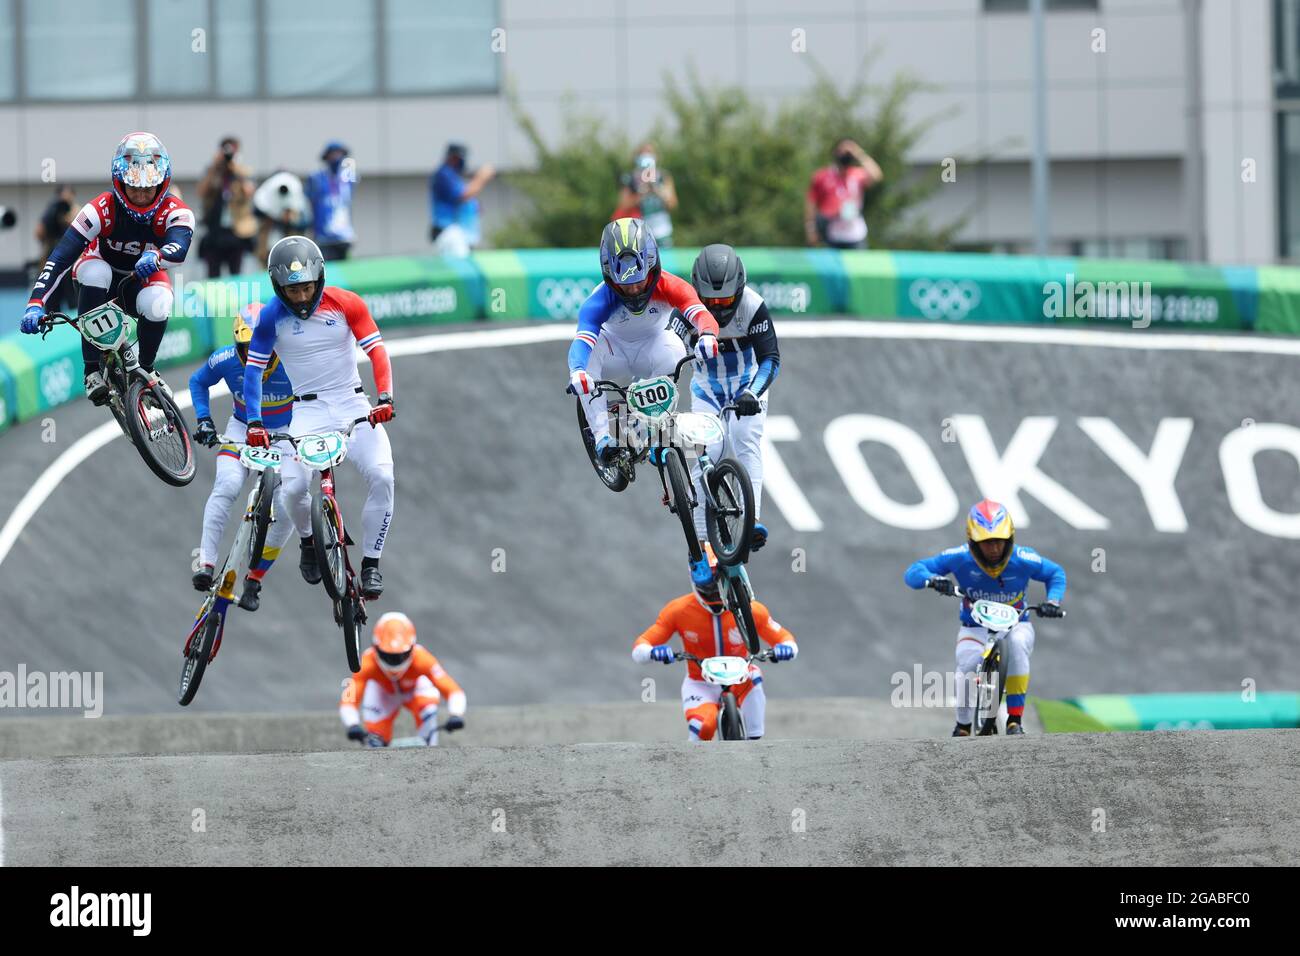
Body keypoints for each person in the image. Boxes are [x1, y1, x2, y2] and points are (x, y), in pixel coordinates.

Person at [242, 236, 395, 599]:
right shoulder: (270, 318)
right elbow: (253, 373)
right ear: (278, 288)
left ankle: (371, 565)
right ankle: (309, 542)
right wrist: (254, 422)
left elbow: (377, 352)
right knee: (293, 489)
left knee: (383, 475)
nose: (301, 298)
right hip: (307, 410)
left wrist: (385, 396)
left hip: (352, 403)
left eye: (307, 288)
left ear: (320, 279)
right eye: (292, 291)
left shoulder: (346, 303)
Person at [20, 133, 195, 404]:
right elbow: (60, 257)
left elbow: (180, 248)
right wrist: (35, 303)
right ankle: (91, 370)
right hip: (99, 273)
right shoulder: (99, 209)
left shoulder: (177, 211)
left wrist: (158, 257)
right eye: (133, 188)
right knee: (95, 272)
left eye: (148, 189)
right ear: (119, 183)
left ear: (162, 183)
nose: (140, 197)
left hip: (142, 276)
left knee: (160, 302)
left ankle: (147, 371)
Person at [903, 499, 1067, 737]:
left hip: (1016, 624)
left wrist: (1053, 601)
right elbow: (913, 571)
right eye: (986, 543)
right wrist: (932, 579)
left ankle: (1014, 720)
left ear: (1009, 539)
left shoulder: (1024, 558)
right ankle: (962, 725)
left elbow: (1055, 573)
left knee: (1018, 646)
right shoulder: (959, 557)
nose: (993, 549)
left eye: (999, 542)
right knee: (968, 666)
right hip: (974, 627)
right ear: (973, 542)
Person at [188, 304, 297, 610]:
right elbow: (198, 381)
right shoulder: (224, 359)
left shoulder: (293, 359)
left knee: (288, 503)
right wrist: (203, 419)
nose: (252, 355)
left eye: (258, 346)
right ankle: (206, 563)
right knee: (226, 485)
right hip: (241, 430)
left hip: (286, 432)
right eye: (245, 348)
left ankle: (255, 577)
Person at [632, 547, 798, 741]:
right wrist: (652, 652)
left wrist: (785, 649)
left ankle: (756, 742)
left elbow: (786, 639)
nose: (715, 596)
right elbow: (640, 648)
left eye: (719, 588)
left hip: (740, 677)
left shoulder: (752, 610)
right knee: (702, 727)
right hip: (700, 683)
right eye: (709, 590)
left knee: (754, 676)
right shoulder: (678, 610)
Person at [686, 243, 780, 553]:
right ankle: (702, 545)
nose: (716, 309)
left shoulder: (754, 306)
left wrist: (753, 392)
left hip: (746, 387)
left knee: (744, 437)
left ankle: (751, 521)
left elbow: (771, 359)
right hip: (706, 390)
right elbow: (667, 352)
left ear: (739, 289)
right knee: (705, 453)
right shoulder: (684, 309)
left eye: (725, 300)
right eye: (708, 302)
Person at [340, 611, 467, 747]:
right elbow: (349, 700)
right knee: (374, 740)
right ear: (375, 648)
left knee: (428, 710)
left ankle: (430, 750)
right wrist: (352, 724)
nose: (394, 663)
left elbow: (452, 690)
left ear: (412, 648)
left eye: (401, 656)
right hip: (383, 694)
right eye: (387, 656)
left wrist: (456, 714)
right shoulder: (366, 663)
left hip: (415, 691)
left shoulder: (423, 659)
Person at [804, 139, 882, 250]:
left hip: (854, 234)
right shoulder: (822, 176)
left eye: (848, 152)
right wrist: (811, 229)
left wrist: (859, 154)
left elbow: (876, 175)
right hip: (830, 232)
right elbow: (811, 204)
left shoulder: (857, 175)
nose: (845, 154)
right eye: (842, 151)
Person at [196, 136, 257, 277]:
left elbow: (249, 192)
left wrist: (236, 169)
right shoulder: (213, 171)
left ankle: (236, 299)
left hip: (236, 231)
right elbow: (201, 192)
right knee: (213, 276)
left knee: (236, 275)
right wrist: (214, 167)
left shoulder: (242, 171)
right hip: (215, 232)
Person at [429, 142, 495, 257]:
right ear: (453, 158)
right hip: (450, 233)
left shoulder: (454, 176)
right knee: (461, 270)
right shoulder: (444, 173)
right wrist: (481, 177)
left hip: (462, 236)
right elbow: (462, 195)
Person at [614, 143, 677, 247]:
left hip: (662, 231)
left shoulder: (663, 176)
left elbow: (672, 204)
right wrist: (642, 193)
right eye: (643, 153)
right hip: (638, 231)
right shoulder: (630, 178)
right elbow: (623, 205)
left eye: (649, 152)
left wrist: (657, 190)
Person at [305, 140, 356, 261]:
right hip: (324, 238)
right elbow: (310, 202)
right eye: (333, 154)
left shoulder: (346, 179)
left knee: (345, 272)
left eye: (339, 154)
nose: (336, 158)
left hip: (344, 236)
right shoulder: (316, 178)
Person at [33, 185, 77, 314]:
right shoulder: (51, 211)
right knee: (52, 300)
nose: (66, 200)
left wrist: (69, 219)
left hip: (71, 262)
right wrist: (50, 218)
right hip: (52, 257)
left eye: (69, 196)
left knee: (74, 300)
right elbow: (39, 233)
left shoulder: (77, 212)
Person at [252, 169, 310, 263]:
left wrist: (291, 220)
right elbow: (257, 209)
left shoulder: (296, 198)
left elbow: (305, 223)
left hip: (290, 253)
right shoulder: (266, 203)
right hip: (269, 249)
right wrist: (272, 216)